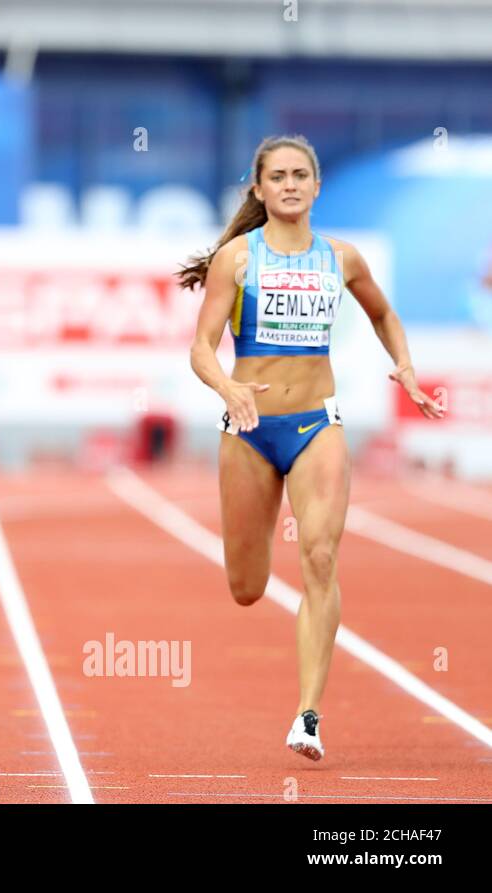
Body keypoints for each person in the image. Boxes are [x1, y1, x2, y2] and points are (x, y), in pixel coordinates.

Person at [179, 135, 443, 761]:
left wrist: (404, 366)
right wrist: (227, 385)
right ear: (259, 189)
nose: (291, 184)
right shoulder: (237, 261)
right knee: (247, 586)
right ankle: (297, 684)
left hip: (316, 426)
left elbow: (383, 315)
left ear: (317, 187)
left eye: (301, 175)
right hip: (247, 430)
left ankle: (309, 715)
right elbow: (200, 346)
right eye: (279, 176)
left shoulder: (342, 259)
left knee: (321, 557)